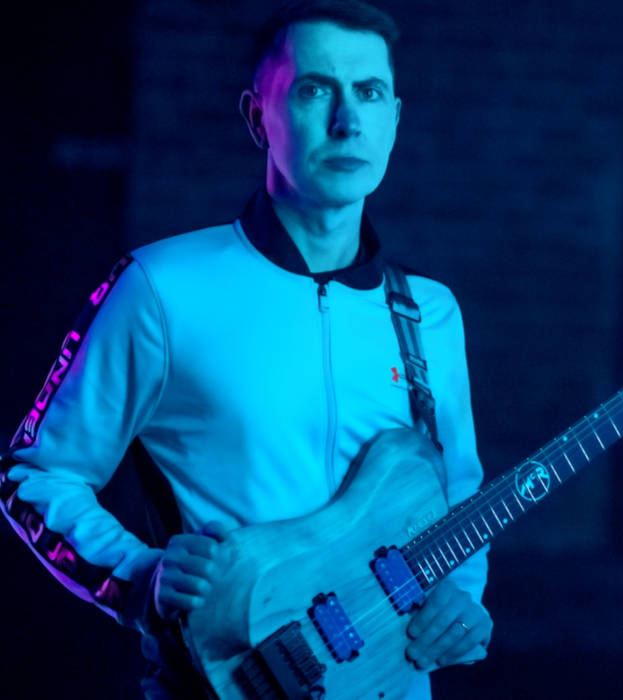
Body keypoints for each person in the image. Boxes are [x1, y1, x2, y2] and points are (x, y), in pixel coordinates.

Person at [0, 1, 492, 697]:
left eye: (369, 92)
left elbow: (458, 494)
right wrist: (138, 575)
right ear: (257, 116)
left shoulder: (430, 313)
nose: (347, 120)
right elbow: (37, 474)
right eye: (314, 89)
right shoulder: (162, 288)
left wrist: (461, 599)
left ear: (394, 119)